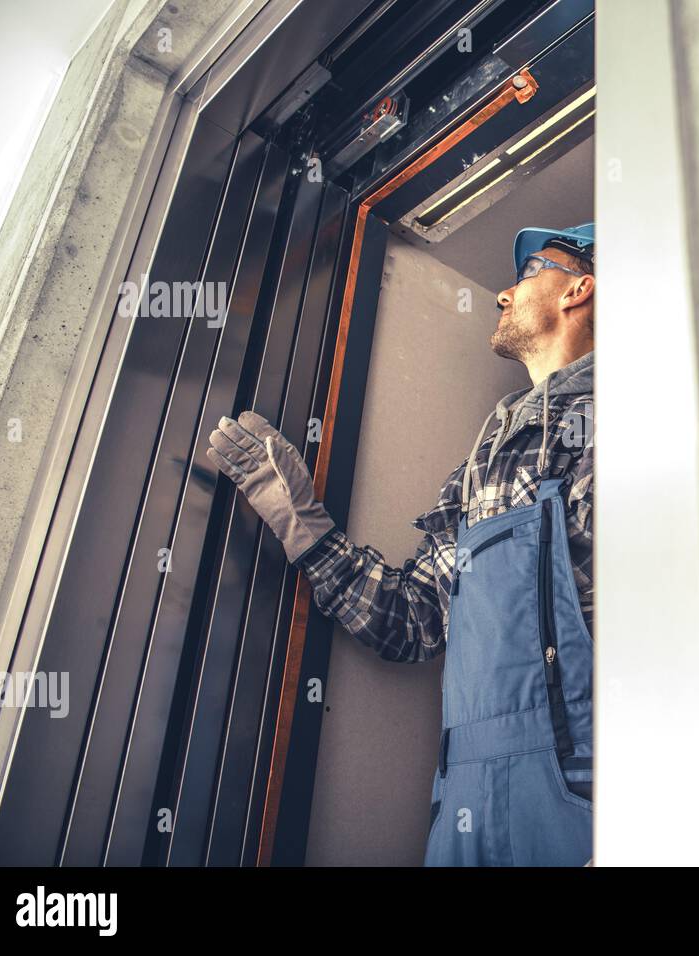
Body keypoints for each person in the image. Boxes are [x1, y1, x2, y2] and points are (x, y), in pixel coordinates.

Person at [206, 222, 596, 866]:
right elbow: (412, 621)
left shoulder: (627, 419)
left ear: (578, 289)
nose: (503, 295)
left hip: (586, 800)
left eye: (529, 273)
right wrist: (300, 520)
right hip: (464, 808)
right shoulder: (485, 459)